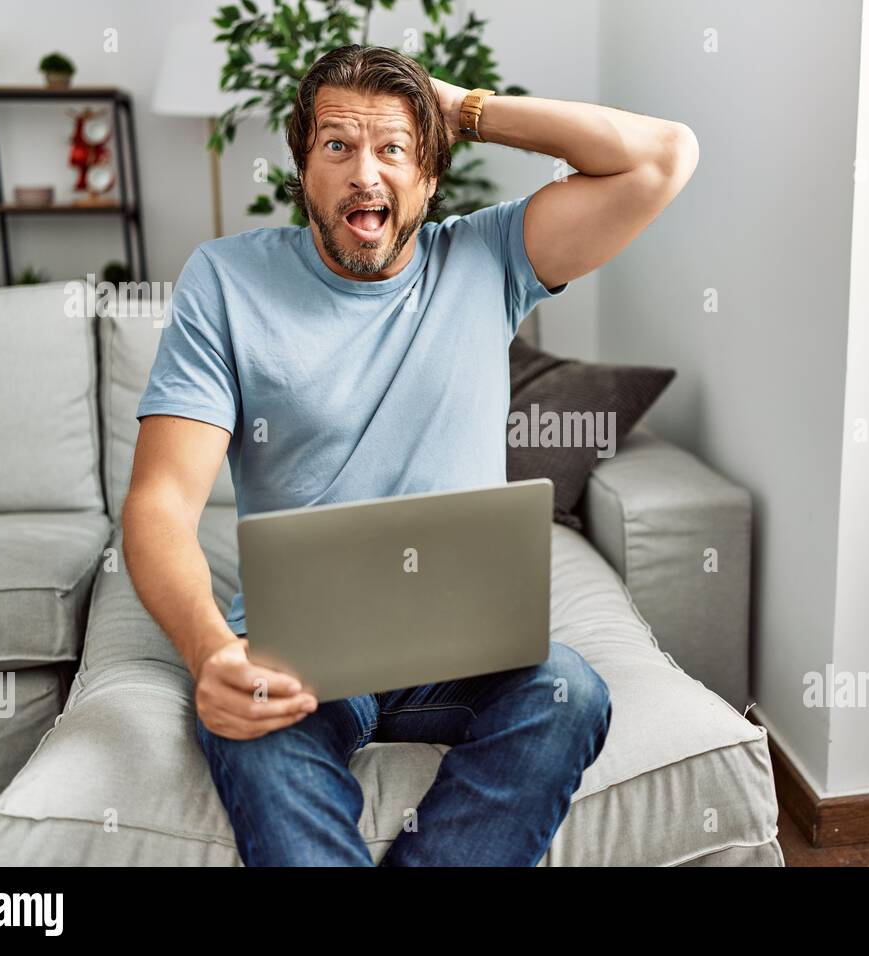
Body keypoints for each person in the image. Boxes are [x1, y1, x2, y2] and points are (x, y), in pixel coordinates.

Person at [122, 43, 698, 866]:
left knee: (568, 692)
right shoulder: (225, 281)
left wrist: (462, 107)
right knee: (254, 733)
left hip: (466, 650)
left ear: (430, 176)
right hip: (301, 654)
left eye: (393, 149)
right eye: (338, 147)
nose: (366, 174)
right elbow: (160, 504)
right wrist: (212, 653)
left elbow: (664, 156)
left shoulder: (491, 258)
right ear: (302, 170)